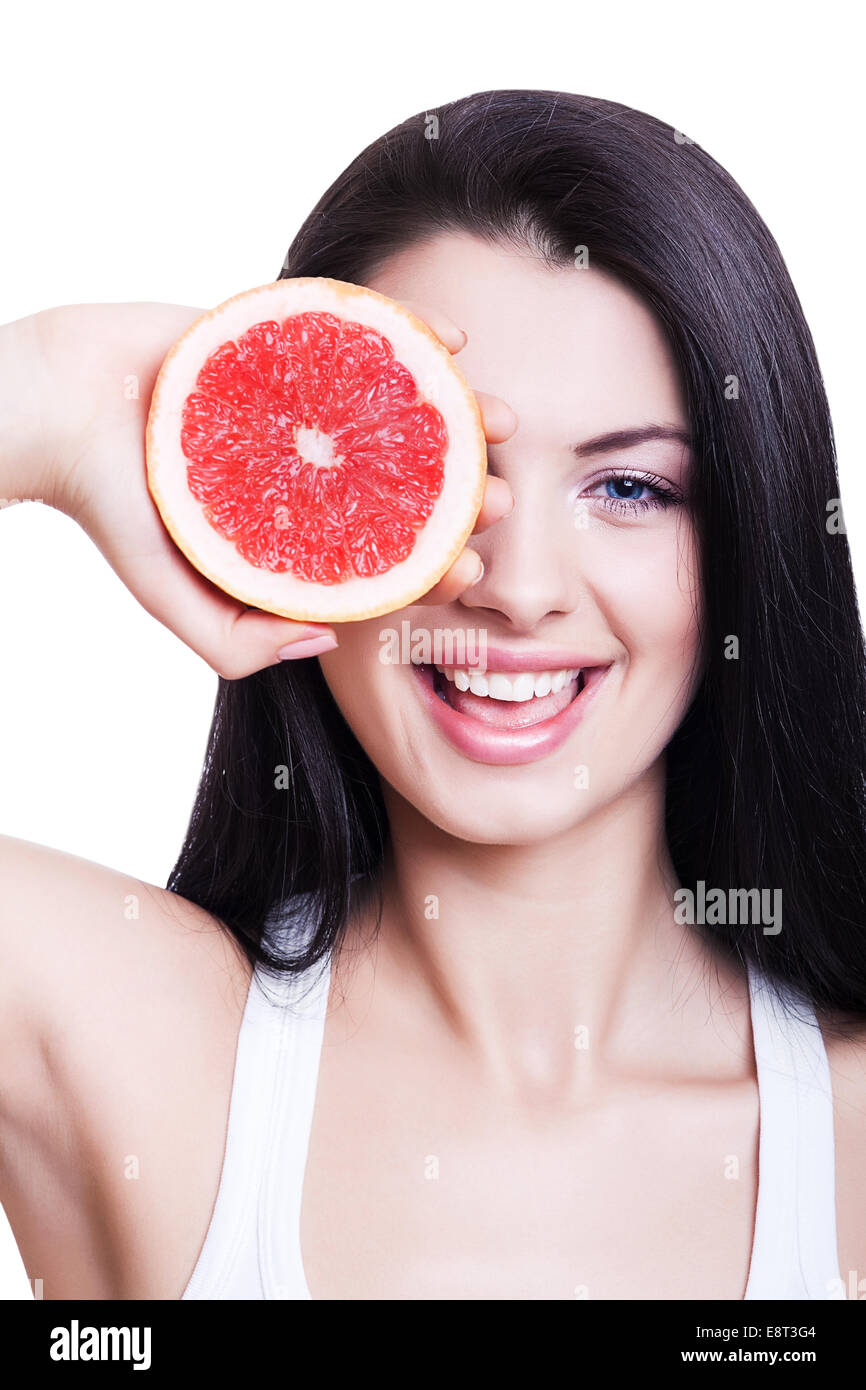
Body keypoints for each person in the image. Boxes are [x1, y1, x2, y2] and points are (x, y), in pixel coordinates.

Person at [1, 88, 865, 1301]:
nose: (516, 591)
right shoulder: (130, 1044)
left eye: (627, 489)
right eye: (442, 474)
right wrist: (39, 393)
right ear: (300, 529)